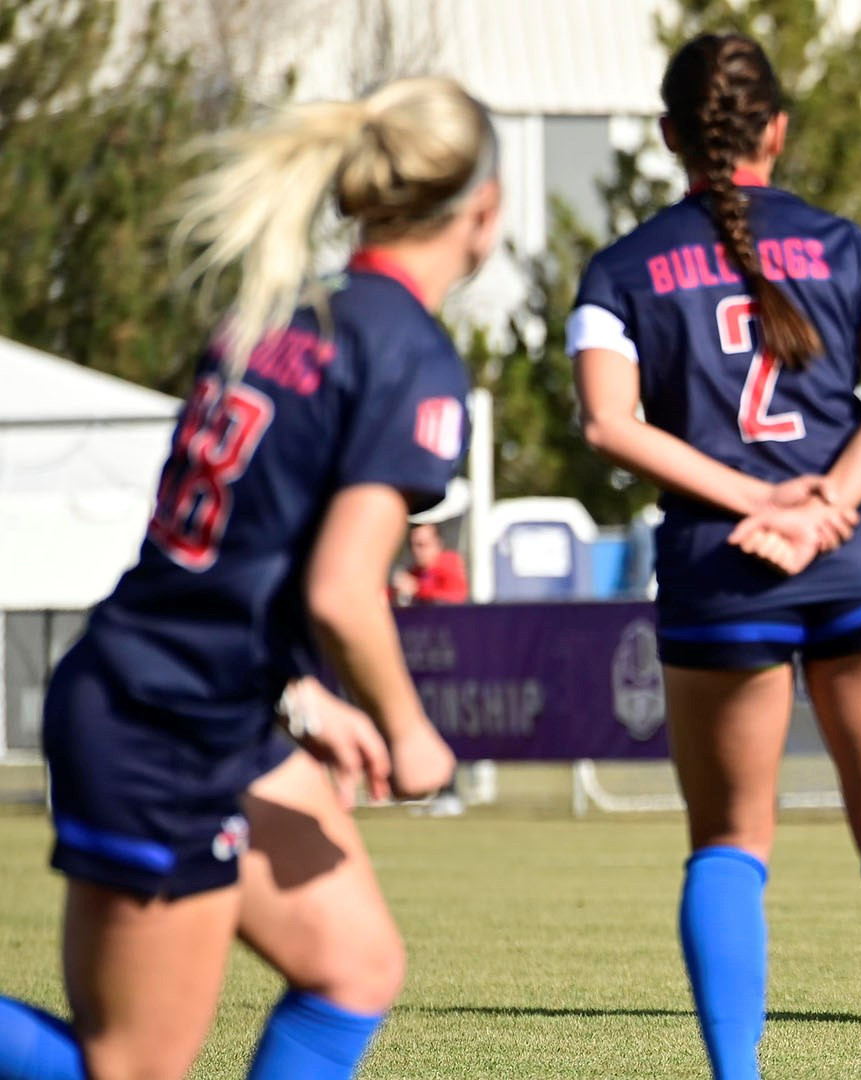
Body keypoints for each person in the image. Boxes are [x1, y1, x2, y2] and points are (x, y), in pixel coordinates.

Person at [0, 76, 490, 1080]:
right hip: (161, 726)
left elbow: (233, 554)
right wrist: (409, 731)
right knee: (130, 1068)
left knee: (354, 967)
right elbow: (341, 591)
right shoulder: (408, 355)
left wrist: (300, 695)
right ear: (481, 211)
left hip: (196, 707)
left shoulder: (284, 308)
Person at [565, 33, 861, 1080]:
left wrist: (759, 502)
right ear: (776, 130)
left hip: (720, 563)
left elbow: (608, 424)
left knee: (729, 841)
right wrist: (826, 499)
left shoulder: (620, 268)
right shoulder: (849, 245)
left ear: (667, 140)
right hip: (858, 555)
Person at [392, 522, 468, 606]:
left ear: (438, 544)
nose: (416, 551)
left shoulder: (451, 563)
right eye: (412, 545)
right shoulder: (415, 573)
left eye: (423, 544)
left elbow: (456, 597)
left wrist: (417, 590)